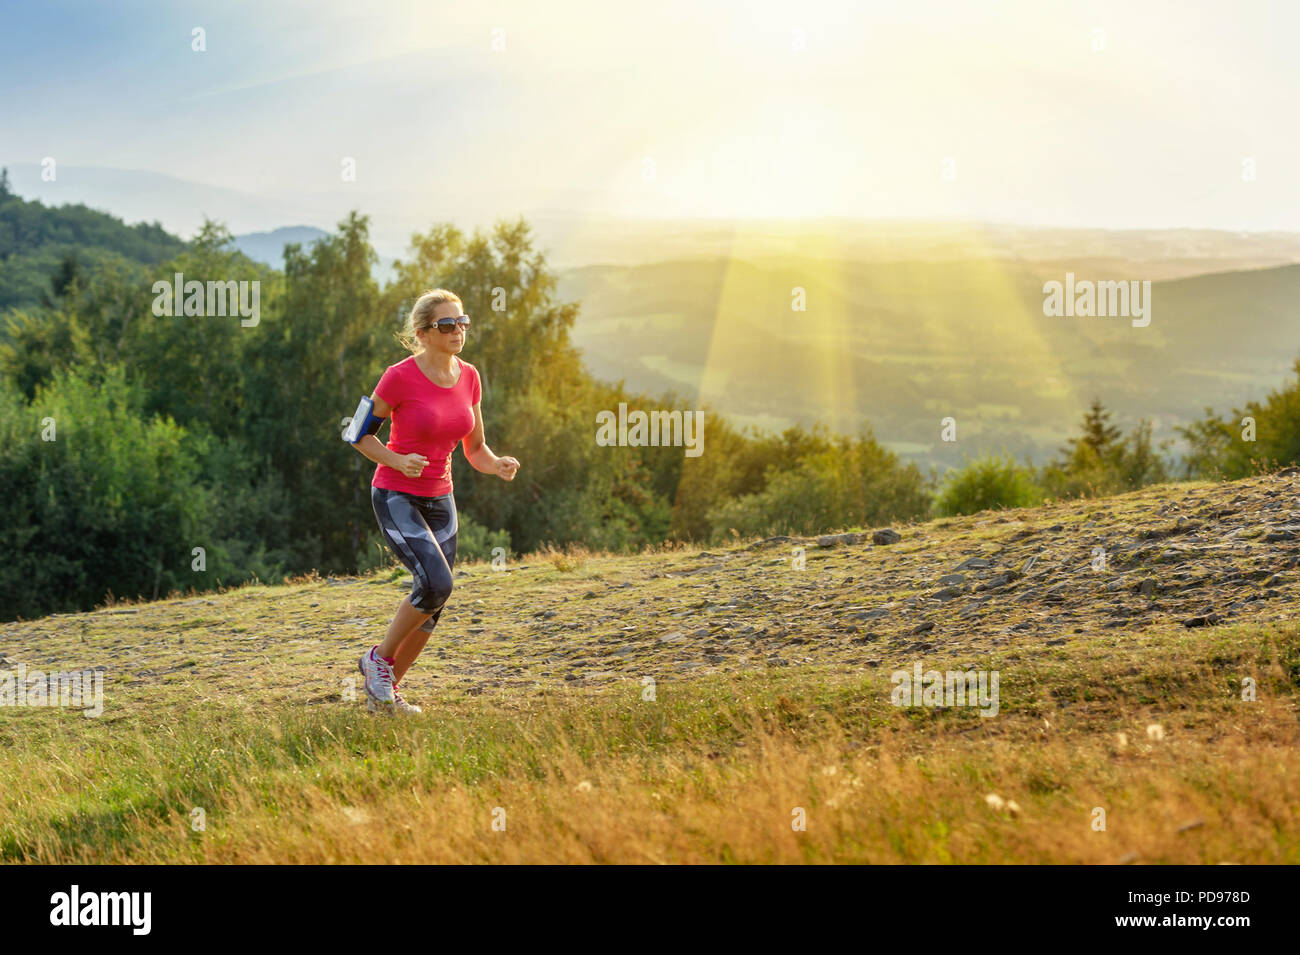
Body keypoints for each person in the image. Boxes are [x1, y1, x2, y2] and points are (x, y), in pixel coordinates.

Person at [349, 288, 519, 713]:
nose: (458, 330)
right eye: (447, 324)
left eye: (462, 321)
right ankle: (378, 660)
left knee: (434, 604)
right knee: (437, 584)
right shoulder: (398, 376)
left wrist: (496, 463)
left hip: (441, 498)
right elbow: (358, 433)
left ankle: (384, 696)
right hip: (395, 493)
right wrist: (395, 459)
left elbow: (475, 448)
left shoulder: (471, 376)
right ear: (423, 334)